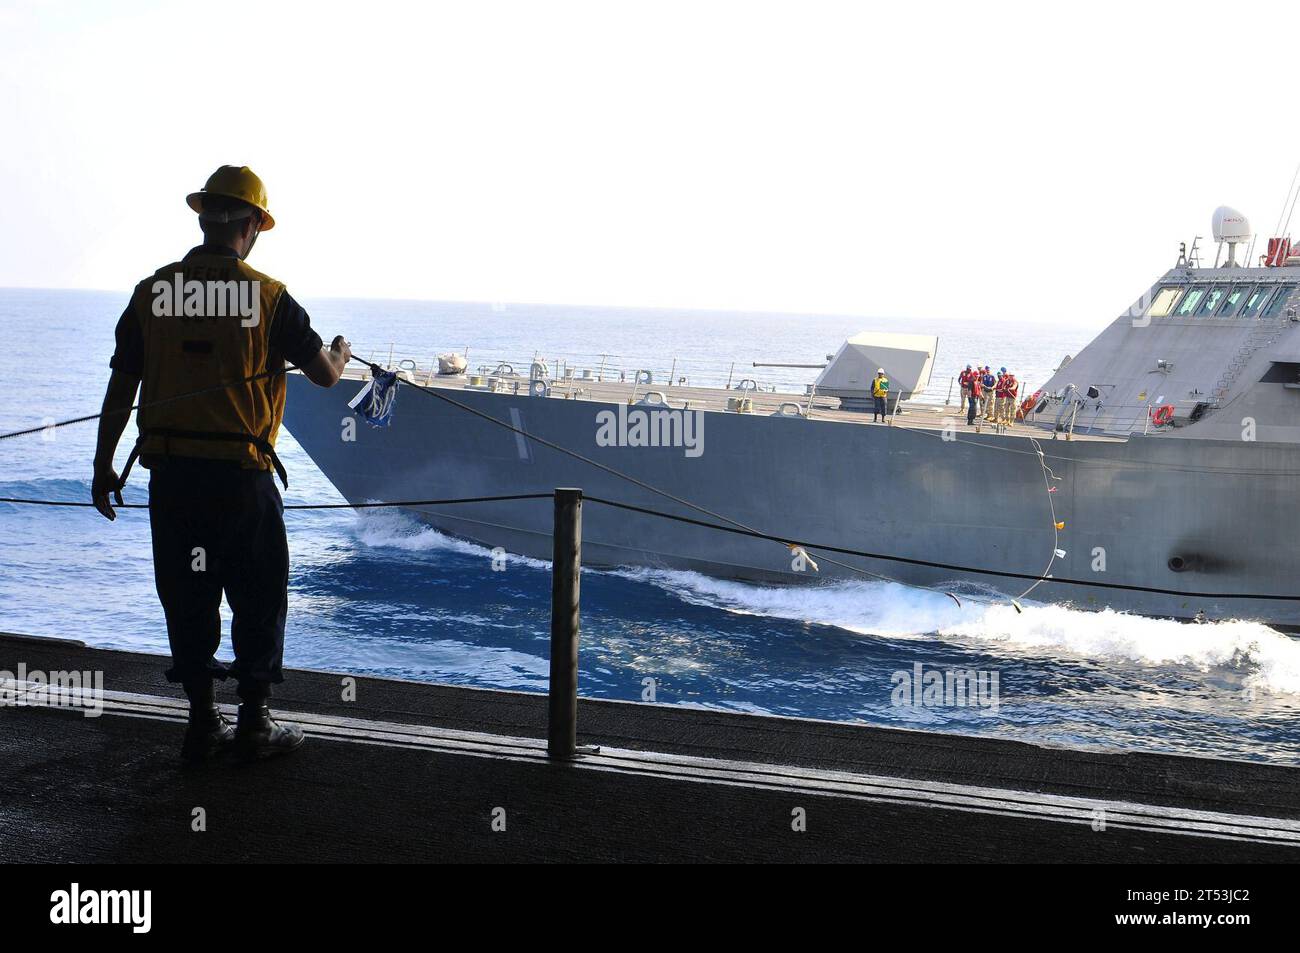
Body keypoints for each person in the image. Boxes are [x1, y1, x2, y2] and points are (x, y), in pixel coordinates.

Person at [91, 165, 353, 762]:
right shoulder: (268, 296)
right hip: (241, 481)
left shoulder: (153, 292)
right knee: (259, 594)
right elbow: (324, 376)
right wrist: (338, 349)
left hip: (174, 481)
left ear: (204, 217)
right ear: (254, 227)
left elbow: (121, 386)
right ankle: (255, 724)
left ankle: (202, 721)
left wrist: (104, 465)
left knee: (187, 595)